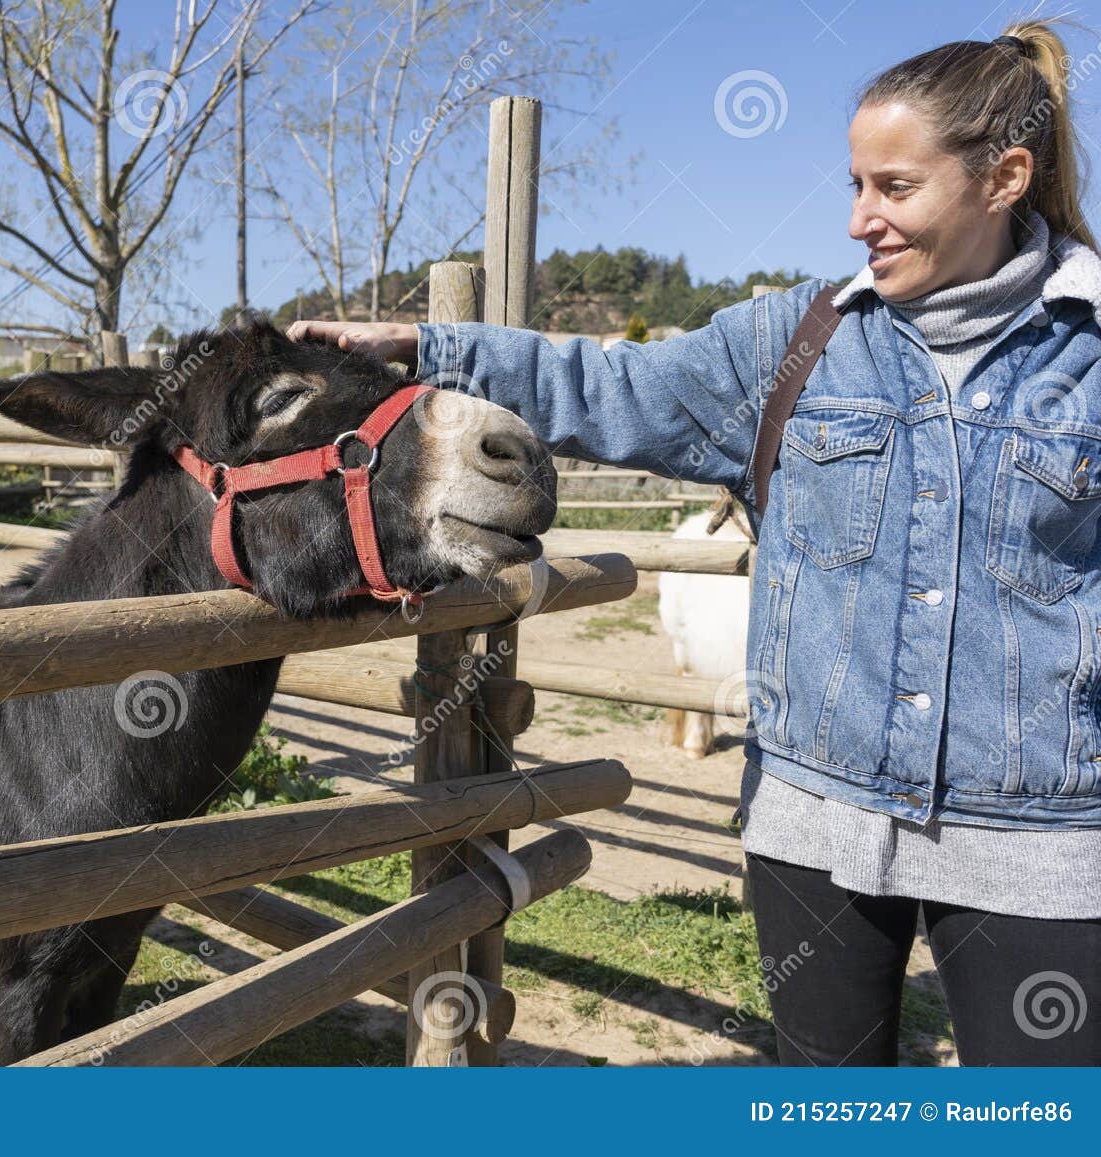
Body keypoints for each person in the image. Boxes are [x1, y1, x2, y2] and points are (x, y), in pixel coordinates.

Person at [288, 22, 1101, 1066]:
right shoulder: (795, 345)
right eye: (854, 185)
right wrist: (427, 347)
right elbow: (605, 386)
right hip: (813, 827)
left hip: (1040, 846)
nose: (859, 219)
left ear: (1005, 178)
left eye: (892, 188)